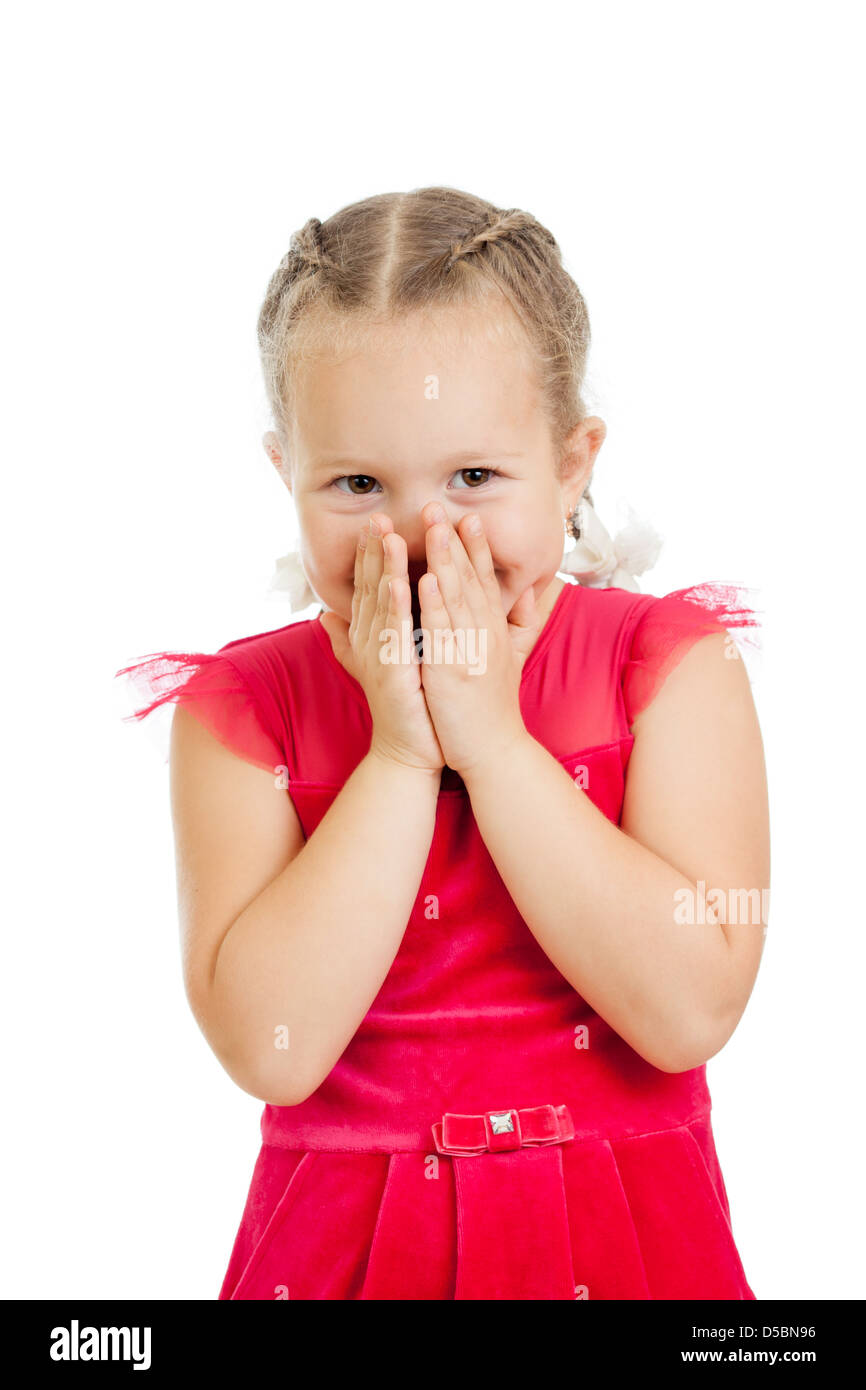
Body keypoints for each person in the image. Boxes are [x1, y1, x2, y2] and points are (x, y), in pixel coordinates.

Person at [115, 186, 769, 1300]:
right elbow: (272, 1048)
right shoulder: (245, 711)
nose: (420, 537)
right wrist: (400, 755)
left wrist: (495, 744)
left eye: (473, 476)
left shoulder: (665, 670)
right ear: (288, 478)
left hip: (625, 1249)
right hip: (346, 1254)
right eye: (357, 483)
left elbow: (687, 1015)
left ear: (571, 464)